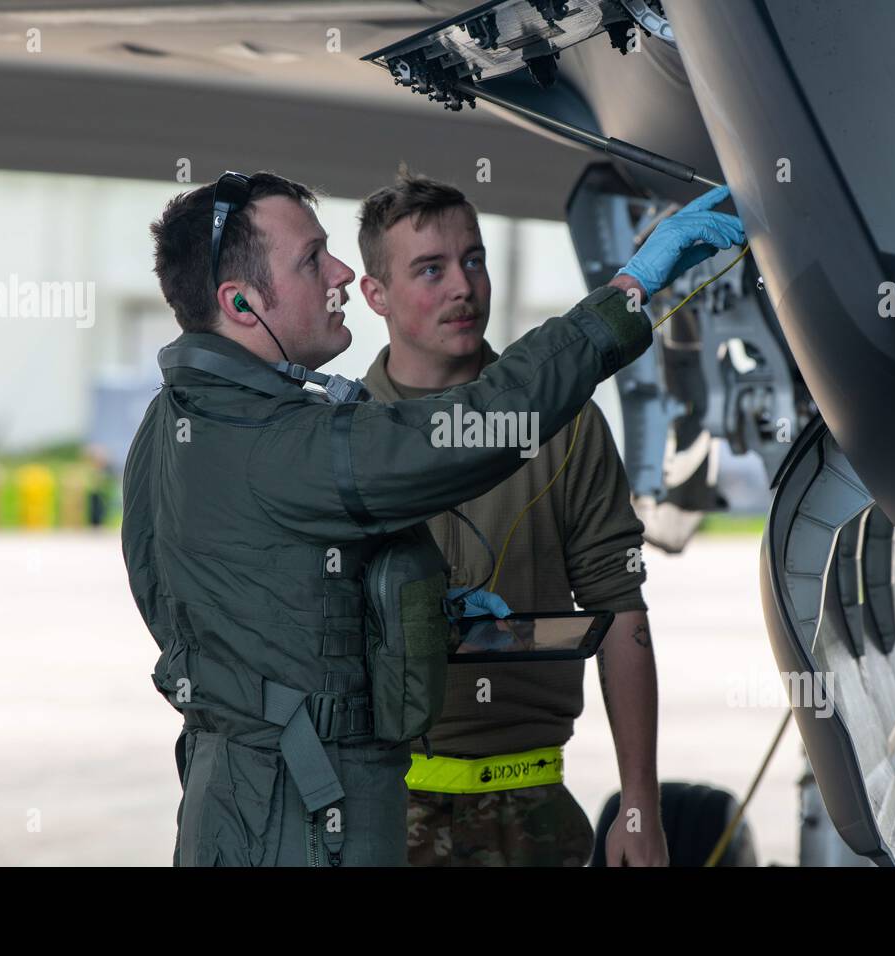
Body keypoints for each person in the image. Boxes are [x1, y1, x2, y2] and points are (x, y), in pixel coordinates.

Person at [122, 168, 742, 866]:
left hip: (241, 800)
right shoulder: (288, 440)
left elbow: (189, 596)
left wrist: (394, 619)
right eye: (311, 259)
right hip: (300, 817)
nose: (340, 272)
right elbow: (478, 428)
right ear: (241, 303)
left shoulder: (172, 420)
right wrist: (630, 291)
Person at [358, 171, 741, 866]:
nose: (463, 287)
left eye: (473, 259)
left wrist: (638, 803)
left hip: (532, 810)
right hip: (383, 812)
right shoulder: (343, 437)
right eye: (430, 269)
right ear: (374, 295)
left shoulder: (566, 426)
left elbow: (620, 606)